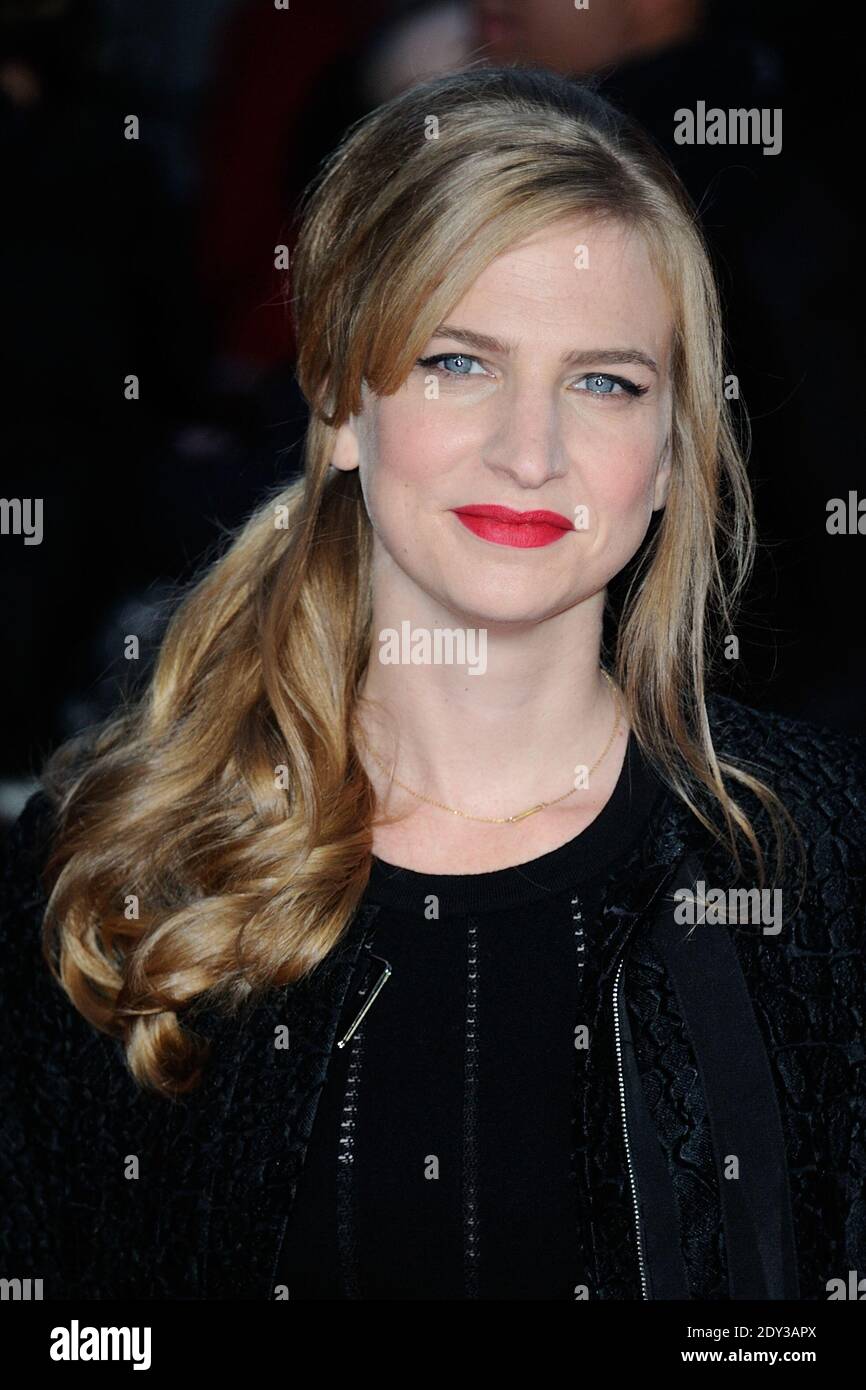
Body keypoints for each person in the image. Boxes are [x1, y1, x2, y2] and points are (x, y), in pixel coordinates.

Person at [1, 65, 863, 1302]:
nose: (529, 449)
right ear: (343, 400)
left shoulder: (811, 856)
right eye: (459, 362)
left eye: (603, 380)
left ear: (673, 452)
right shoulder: (120, 870)